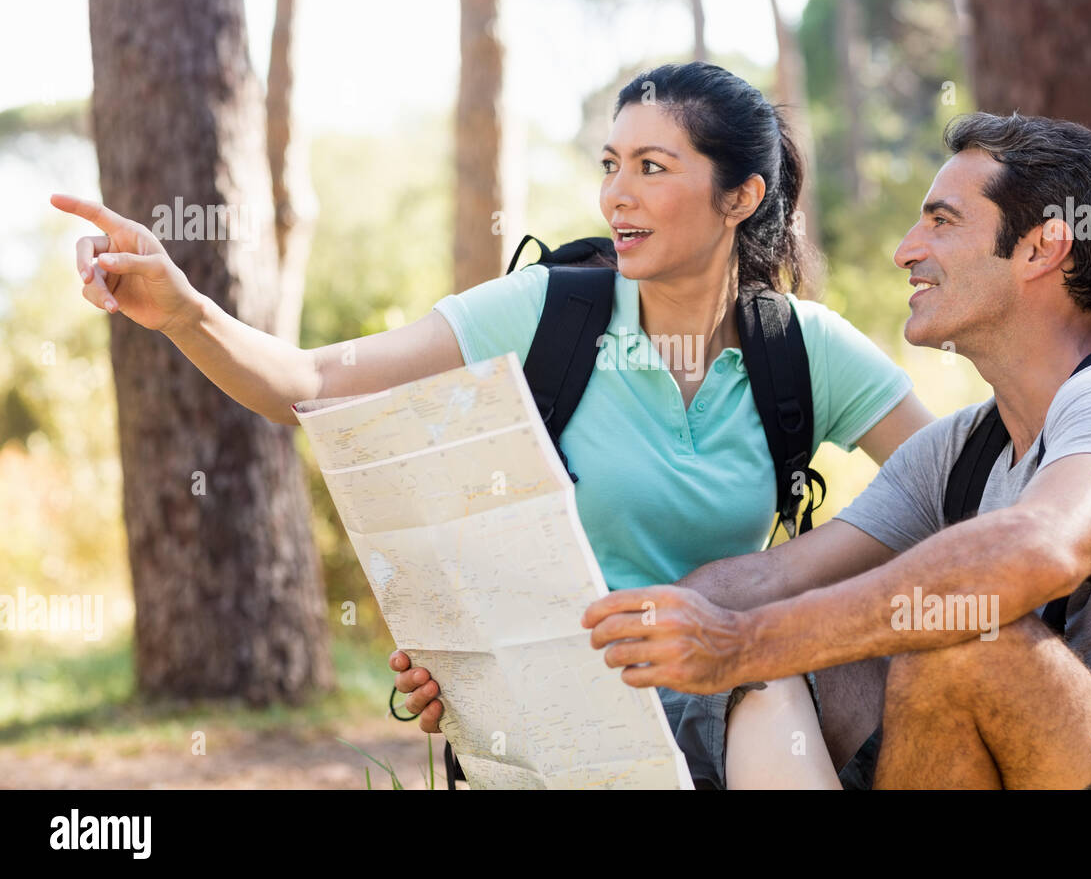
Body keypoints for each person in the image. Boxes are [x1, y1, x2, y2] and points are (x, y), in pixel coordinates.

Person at [52, 62, 934, 789]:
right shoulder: (549, 311)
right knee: (762, 682)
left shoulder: (803, 349)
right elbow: (315, 382)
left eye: (652, 169)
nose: (615, 197)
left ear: (740, 198)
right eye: (609, 164)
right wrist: (183, 312)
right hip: (555, 717)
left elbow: (951, 486)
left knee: (778, 676)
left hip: (727, 688)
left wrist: (781, 582)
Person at [584, 111, 1091, 789]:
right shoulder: (963, 450)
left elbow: (1035, 551)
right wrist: (585, 646)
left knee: (962, 641)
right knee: (827, 641)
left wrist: (745, 643)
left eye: (941, 221)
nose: (906, 250)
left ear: (1041, 247)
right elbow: (769, 583)